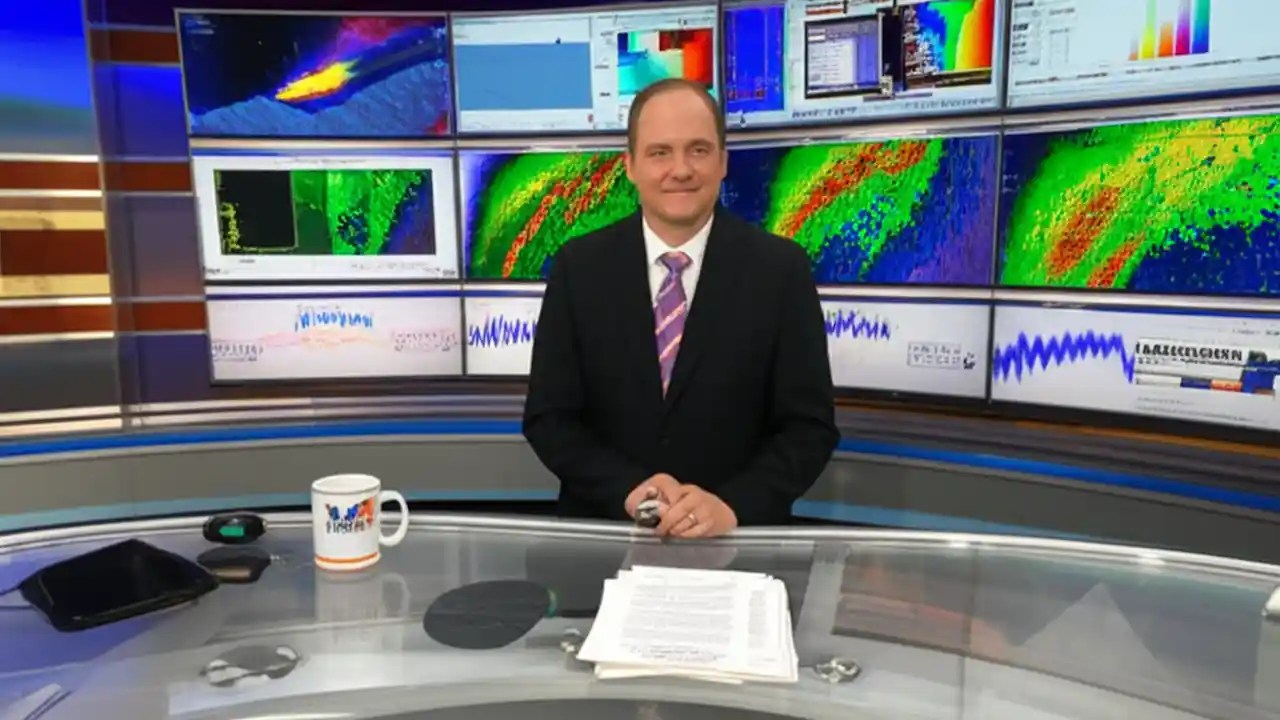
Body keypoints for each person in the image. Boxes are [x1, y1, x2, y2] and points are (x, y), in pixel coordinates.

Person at [522, 78, 838, 539]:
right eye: (660, 152)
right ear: (629, 165)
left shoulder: (781, 270)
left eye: (699, 150)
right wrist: (629, 491)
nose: (681, 169)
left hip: (737, 545)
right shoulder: (579, 267)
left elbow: (809, 430)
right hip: (604, 542)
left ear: (723, 161)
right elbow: (549, 419)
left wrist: (732, 506)